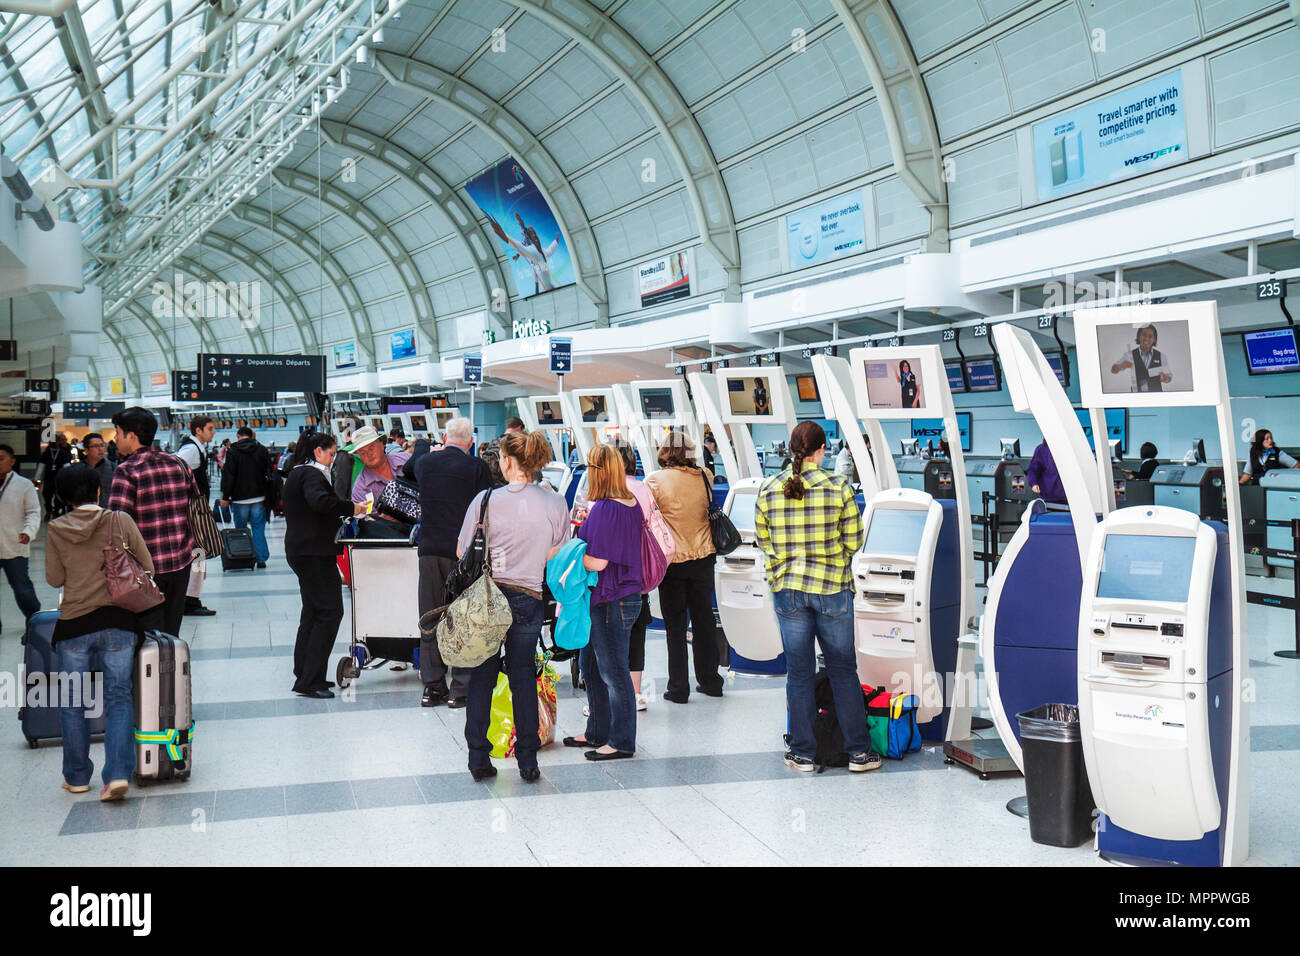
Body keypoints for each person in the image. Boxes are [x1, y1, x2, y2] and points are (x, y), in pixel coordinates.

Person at [754, 421, 878, 774]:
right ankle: (858, 753)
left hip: (788, 591)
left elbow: (764, 540)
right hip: (832, 590)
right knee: (842, 669)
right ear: (822, 450)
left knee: (799, 672)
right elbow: (854, 540)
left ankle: (803, 754)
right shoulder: (838, 487)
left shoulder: (769, 487)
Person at [458, 431, 570, 782]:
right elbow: (560, 554)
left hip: (489, 597)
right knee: (523, 676)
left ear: (507, 461)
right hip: (530, 598)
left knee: (482, 675)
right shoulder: (555, 503)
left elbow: (463, 551)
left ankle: (479, 756)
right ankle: (527, 760)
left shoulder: (485, 500)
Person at [47, 464, 150, 802]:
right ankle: (118, 774)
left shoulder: (57, 528)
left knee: (72, 701)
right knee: (119, 698)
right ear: (97, 491)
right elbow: (146, 566)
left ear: (63, 496)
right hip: (118, 623)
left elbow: (53, 579)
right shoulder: (120, 521)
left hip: (75, 624)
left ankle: (77, 777)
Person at [563, 443, 643, 761]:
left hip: (613, 599)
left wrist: (565, 557)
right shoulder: (627, 503)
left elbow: (599, 562)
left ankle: (622, 741)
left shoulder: (608, 508)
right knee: (590, 665)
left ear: (599, 472)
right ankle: (597, 730)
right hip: (610, 598)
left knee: (612, 671)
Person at [414, 417, 492, 708]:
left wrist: (429, 451)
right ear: (470, 442)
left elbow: (412, 465)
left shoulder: (425, 464)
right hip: (464, 554)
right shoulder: (476, 467)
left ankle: (433, 687)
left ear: (445, 438)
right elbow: (487, 506)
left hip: (430, 551)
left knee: (431, 617)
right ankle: (461, 689)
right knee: (462, 619)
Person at [282, 433, 367, 699]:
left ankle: (305, 672)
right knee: (330, 612)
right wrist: (352, 508)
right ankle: (310, 680)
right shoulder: (311, 474)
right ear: (318, 452)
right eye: (330, 455)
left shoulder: (296, 473)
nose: (332, 460)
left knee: (313, 612)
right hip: (314, 552)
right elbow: (321, 502)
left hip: (302, 550)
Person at [645, 433, 724, 704]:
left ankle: (678, 688)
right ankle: (711, 681)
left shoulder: (655, 480)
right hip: (704, 557)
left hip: (672, 561)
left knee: (676, 626)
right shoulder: (705, 476)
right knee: (703, 621)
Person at [108, 407, 198, 639]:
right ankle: (171, 673)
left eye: (117, 432)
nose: (115, 438)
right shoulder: (178, 464)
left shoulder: (127, 471)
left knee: (146, 638)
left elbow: (117, 525)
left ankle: (149, 675)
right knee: (171, 633)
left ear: (132, 436)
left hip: (145, 570)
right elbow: (194, 506)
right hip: (181, 563)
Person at [616, 443, 653, 711]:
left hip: (615, 574)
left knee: (612, 636)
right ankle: (636, 692)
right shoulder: (644, 488)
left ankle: (614, 695)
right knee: (638, 632)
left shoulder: (608, 492)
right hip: (641, 572)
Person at [176, 416, 217, 616]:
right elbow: (177, 469)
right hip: (192, 510)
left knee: (198, 552)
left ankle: (191, 596)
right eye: (210, 428)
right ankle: (190, 599)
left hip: (194, 508)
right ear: (198, 430)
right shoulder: (191, 450)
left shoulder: (197, 449)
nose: (213, 432)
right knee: (197, 551)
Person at [0, 444, 43, 625]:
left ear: (12, 461)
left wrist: (28, 532)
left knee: (22, 589)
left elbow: (33, 512)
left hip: (14, 544)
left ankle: (36, 622)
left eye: (1, 458)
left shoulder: (23, 485)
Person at [220, 426, 273, 568]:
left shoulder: (232, 451)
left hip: (239, 498)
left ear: (238, 436)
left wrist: (225, 496)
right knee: (258, 528)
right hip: (259, 496)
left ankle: (242, 555)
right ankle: (261, 559)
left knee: (241, 529)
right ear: (251, 436)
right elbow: (270, 472)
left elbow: (229, 475)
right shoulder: (261, 449)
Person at [349, 425, 412, 507]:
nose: (368, 454)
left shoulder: (406, 459)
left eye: (371, 448)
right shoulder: (360, 488)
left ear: (382, 445)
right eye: (362, 453)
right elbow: (366, 518)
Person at [1110, 323, 1173, 392]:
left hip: (1156, 396)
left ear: (1154, 339)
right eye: (1144, 335)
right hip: (1137, 396)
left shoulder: (1161, 356)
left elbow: (1169, 377)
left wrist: (1165, 378)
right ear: (1139, 336)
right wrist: (1121, 366)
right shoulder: (1130, 355)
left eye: (1150, 336)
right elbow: (1113, 370)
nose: (1146, 338)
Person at [36, 433, 74, 519]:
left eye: (56, 441)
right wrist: (37, 483)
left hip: (60, 480)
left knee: (59, 497)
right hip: (48, 479)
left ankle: (57, 512)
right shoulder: (46, 453)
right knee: (47, 496)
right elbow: (40, 469)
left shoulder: (63, 453)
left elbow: (66, 468)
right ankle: (49, 510)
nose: (55, 443)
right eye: (53, 441)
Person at [1025, 439, 1067, 504]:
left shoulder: (1069, 448)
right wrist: (1033, 483)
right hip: (1049, 499)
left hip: (1070, 497)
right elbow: (1033, 469)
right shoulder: (1042, 449)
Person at [82, 435, 115, 507]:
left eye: (102, 445)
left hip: (107, 513)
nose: (100, 449)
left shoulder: (113, 468)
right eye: (95, 446)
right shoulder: (79, 470)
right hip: (85, 513)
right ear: (86, 450)